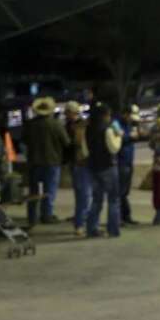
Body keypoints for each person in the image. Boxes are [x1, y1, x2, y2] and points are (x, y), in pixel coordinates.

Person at [23, 97, 70, 227]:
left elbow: (24, 140)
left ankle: (32, 216)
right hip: (52, 162)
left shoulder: (30, 124)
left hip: (34, 162)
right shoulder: (56, 124)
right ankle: (46, 215)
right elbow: (66, 142)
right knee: (49, 191)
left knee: (34, 191)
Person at [84, 104, 123, 239]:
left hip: (93, 167)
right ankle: (113, 230)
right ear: (105, 116)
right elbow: (114, 148)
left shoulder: (88, 129)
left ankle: (91, 228)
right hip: (108, 166)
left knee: (96, 200)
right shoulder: (108, 130)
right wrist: (119, 136)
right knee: (113, 199)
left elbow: (87, 149)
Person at [64, 101, 92, 237]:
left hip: (77, 163)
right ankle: (80, 224)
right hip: (81, 163)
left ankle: (80, 221)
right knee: (84, 196)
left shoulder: (74, 126)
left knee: (81, 195)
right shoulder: (82, 125)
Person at [117, 105, 141, 226]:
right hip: (121, 162)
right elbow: (117, 139)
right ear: (125, 114)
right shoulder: (117, 124)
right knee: (120, 192)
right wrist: (129, 137)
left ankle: (126, 216)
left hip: (128, 161)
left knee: (125, 192)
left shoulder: (130, 124)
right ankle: (120, 218)